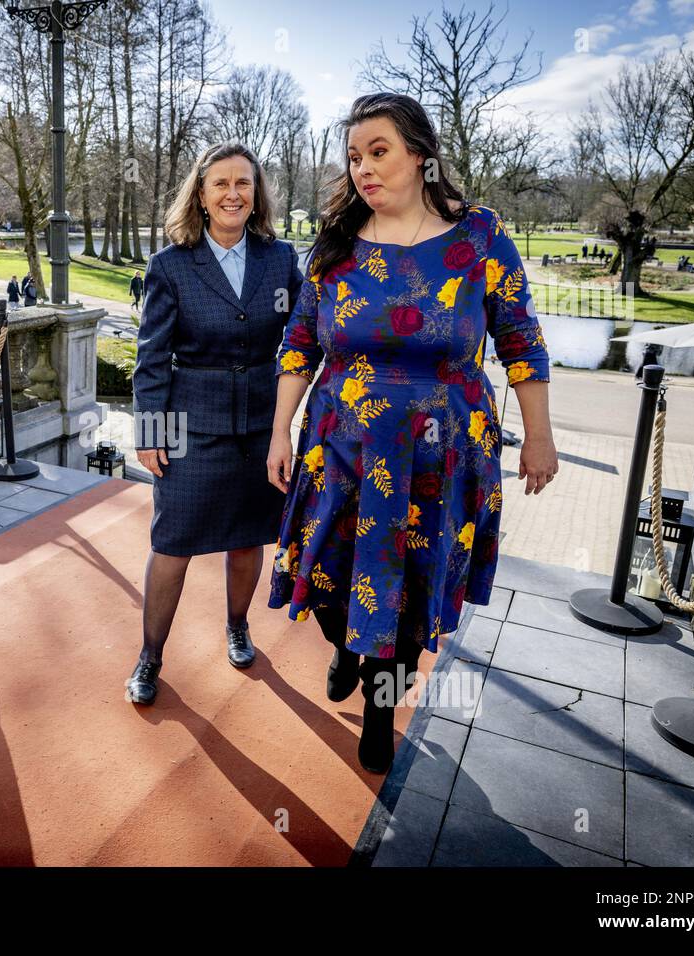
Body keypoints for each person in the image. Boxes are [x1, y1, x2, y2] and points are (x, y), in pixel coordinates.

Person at [267, 93, 558, 774]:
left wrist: (539, 435)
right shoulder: (334, 247)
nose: (363, 168)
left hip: (441, 453)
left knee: (407, 588)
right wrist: (280, 431)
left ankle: (379, 706)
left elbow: (521, 337)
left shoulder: (478, 237)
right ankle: (343, 645)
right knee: (331, 574)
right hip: (341, 446)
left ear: (420, 156)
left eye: (379, 151)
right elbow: (298, 343)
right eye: (354, 156)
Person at [127, 141, 301, 705]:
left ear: (257, 194)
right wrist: (150, 431)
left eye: (243, 184)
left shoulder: (281, 259)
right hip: (190, 427)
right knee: (172, 542)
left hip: (259, 425)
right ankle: (150, 656)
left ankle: (238, 626)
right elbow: (151, 356)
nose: (233, 193)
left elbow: (303, 337)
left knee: (249, 538)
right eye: (220, 184)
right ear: (200, 195)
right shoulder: (170, 265)